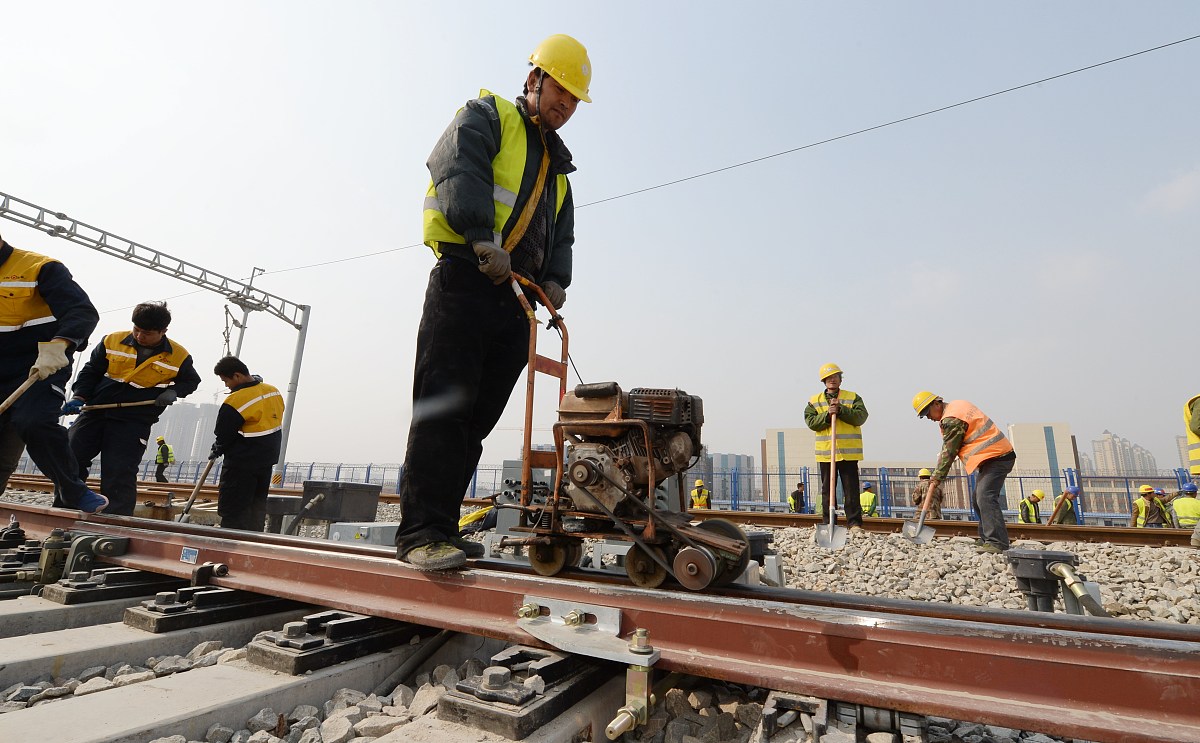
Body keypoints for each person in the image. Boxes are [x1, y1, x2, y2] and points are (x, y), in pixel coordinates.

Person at [394, 35, 592, 571]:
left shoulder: (559, 173)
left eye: (575, 100)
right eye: (561, 91)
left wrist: (555, 281)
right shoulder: (488, 116)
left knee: (475, 421)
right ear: (534, 79)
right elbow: (457, 166)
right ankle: (419, 534)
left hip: (516, 302)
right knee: (443, 412)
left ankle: (443, 528)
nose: (566, 105)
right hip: (465, 280)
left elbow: (564, 235)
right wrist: (482, 236)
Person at [62, 302, 199, 515]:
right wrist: (79, 396)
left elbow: (191, 382)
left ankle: (116, 520)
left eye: (147, 333)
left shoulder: (179, 356)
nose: (139, 335)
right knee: (70, 458)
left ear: (163, 332)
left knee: (120, 470)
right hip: (96, 411)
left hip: (133, 420)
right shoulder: (112, 341)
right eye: (136, 329)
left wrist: (174, 392)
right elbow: (91, 371)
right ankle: (65, 510)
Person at [0, 233, 105, 512]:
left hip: (38, 367)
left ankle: (73, 489)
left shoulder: (39, 268)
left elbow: (81, 311)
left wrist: (60, 344)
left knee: (33, 421)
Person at [913, 391, 1016, 554]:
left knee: (985, 496)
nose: (929, 418)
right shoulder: (957, 406)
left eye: (928, 413)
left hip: (998, 456)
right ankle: (986, 539)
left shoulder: (952, 419)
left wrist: (938, 476)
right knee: (978, 498)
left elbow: (950, 450)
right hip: (993, 456)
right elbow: (949, 447)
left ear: (936, 404)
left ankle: (997, 542)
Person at [210, 356, 284, 532]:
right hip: (266, 461)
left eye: (226, 380)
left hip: (241, 464)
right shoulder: (273, 391)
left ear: (237, 376)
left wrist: (218, 447)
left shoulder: (235, 400)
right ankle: (253, 546)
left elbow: (224, 433)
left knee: (234, 511)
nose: (226, 385)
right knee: (256, 510)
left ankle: (231, 548)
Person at [804, 363, 869, 535]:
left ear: (840, 379)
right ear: (824, 381)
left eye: (835, 376)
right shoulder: (814, 401)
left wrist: (842, 410)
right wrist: (827, 415)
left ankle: (854, 523)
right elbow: (811, 422)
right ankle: (828, 522)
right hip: (826, 453)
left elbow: (861, 417)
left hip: (848, 452)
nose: (832, 379)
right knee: (827, 489)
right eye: (829, 377)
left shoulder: (852, 397)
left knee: (851, 489)